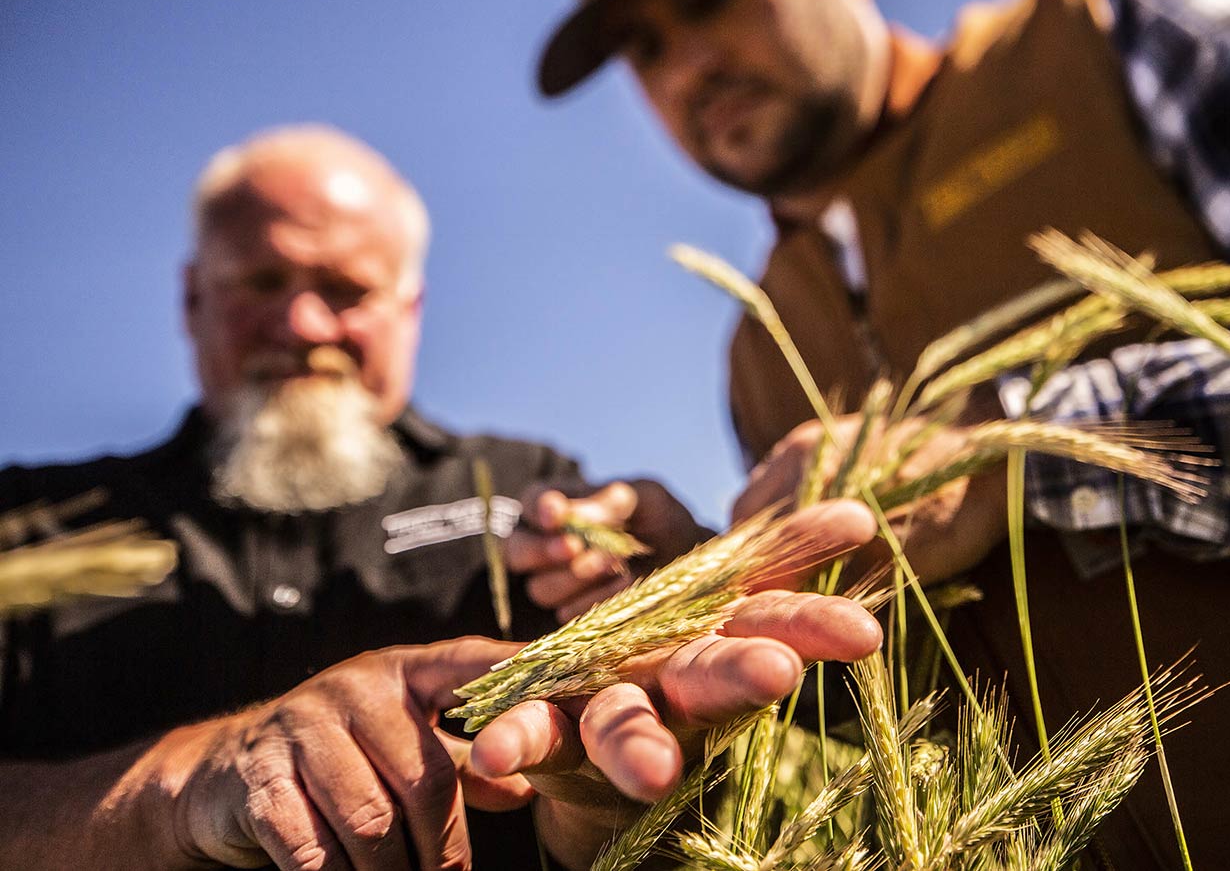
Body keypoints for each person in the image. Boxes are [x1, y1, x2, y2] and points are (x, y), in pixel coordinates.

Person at [538, 0, 1230, 864]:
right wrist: (702, 584)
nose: (689, 67)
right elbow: (925, 692)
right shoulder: (761, 346)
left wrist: (1019, 454)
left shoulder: (1104, 28)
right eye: (643, 48)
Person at [0, 124, 813, 869]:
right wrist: (184, 783)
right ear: (191, 299)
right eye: (262, 279)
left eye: (347, 289)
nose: (305, 322)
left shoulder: (528, 487)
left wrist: (665, 623)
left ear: (411, 310)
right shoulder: (34, 527)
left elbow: (594, 807)